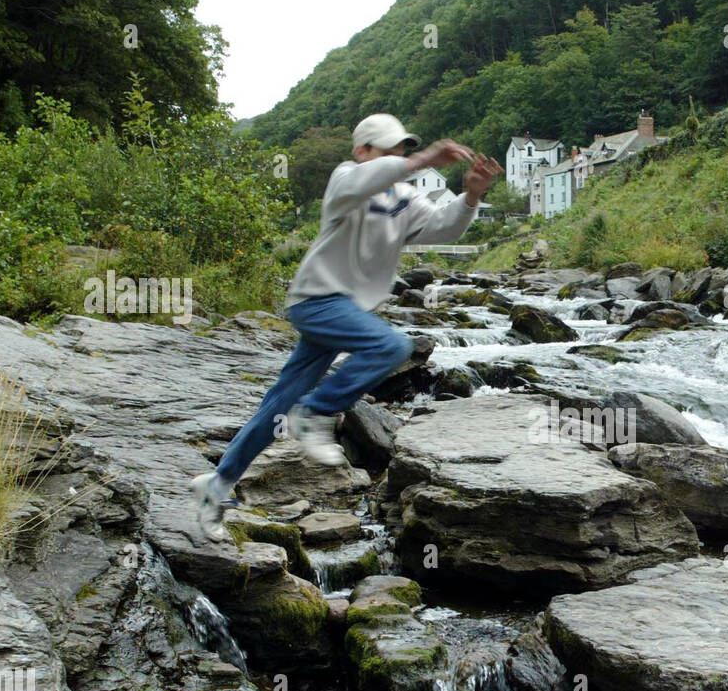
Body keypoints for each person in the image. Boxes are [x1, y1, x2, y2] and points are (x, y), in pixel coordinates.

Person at [191, 113, 503, 542]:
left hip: (343, 312)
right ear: (363, 152)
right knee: (391, 347)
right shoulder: (345, 180)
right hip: (317, 301)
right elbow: (371, 179)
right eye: (389, 150)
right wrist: (426, 157)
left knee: (276, 406)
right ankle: (316, 414)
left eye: (403, 149)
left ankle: (218, 485)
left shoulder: (405, 199)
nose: (400, 157)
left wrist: (471, 194)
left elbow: (443, 226)